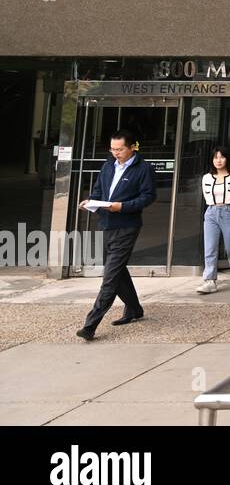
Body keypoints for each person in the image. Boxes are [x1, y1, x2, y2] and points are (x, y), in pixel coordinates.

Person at [76, 128, 156, 340]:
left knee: (110, 277)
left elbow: (148, 197)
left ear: (131, 148)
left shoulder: (143, 168)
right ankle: (134, 309)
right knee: (117, 270)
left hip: (127, 225)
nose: (115, 153)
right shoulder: (107, 165)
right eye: (112, 149)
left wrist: (123, 206)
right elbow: (98, 191)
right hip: (107, 223)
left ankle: (90, 325)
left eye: (120, 149)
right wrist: (90, 201)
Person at [198, 145, 230, 293]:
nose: (218, 160)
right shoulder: (206, 178)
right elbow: (206, 196)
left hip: (229, 211)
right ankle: (210, 281)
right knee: (210, 248)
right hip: (211, 212)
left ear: (227, 159)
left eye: (222, 157)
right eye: (215, 157)